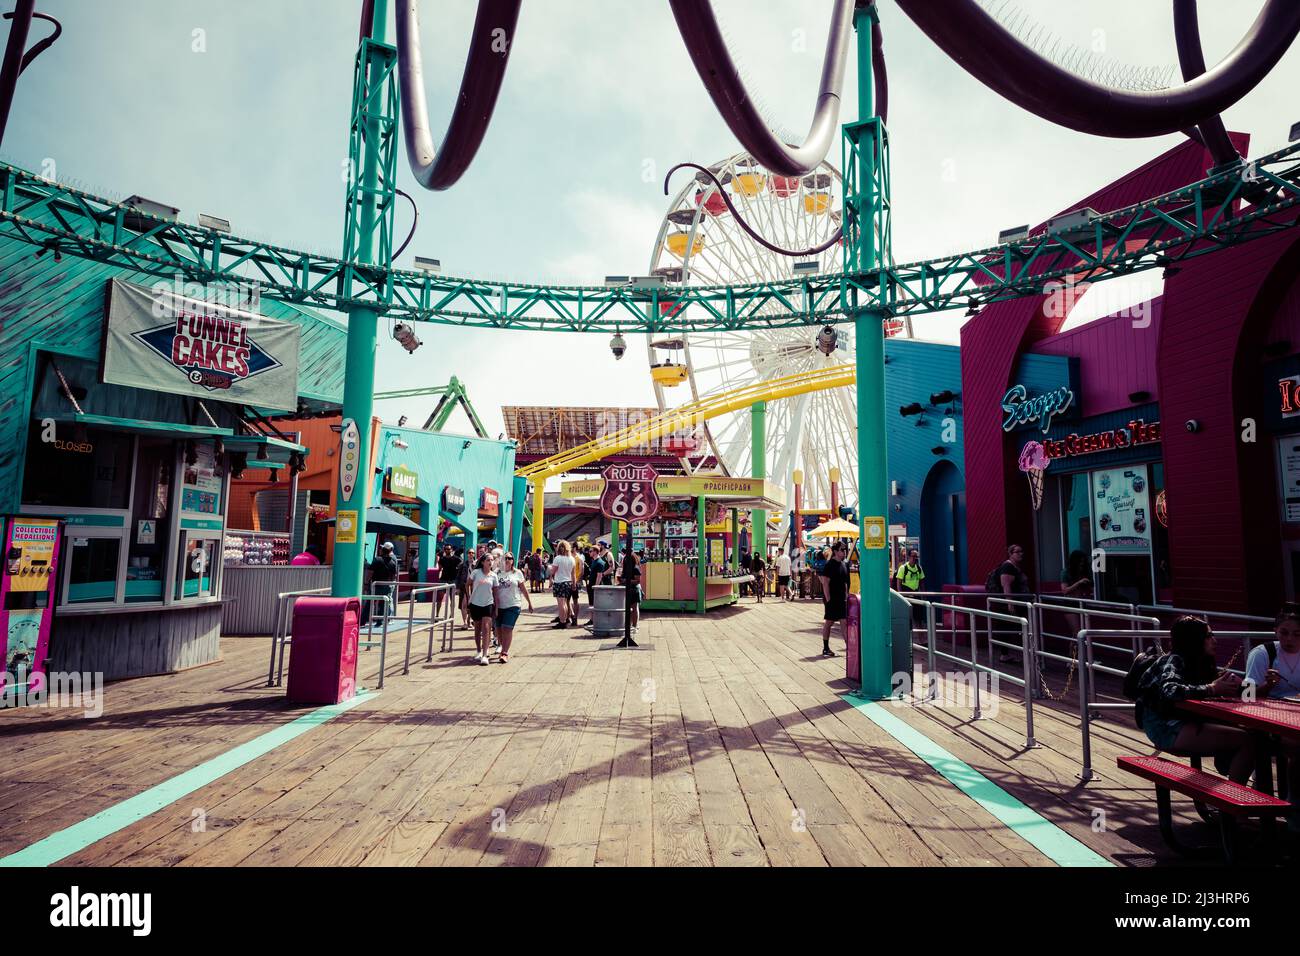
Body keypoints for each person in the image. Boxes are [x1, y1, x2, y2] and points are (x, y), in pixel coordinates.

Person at [1136, 615, 1255, 784]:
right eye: (1208, 636)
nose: (1215, 640)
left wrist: (1257, 686)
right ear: (1193, 640)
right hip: (1164, 726)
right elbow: (1170, 690)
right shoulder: (1174, 660)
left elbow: (1242, 694)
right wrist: (1212, 688)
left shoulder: (1200, 662)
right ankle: (1233, 805)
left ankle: (1228, 768)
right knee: (1247, 741)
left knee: (1254, 735)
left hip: (1183, 720)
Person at [492, 552, 532, 663]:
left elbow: (523, 589)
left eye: (510, 558)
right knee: (498, 630)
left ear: (513, 560)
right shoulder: (496, 573)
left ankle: (505, 652)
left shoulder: (517, 573)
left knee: (507, 628)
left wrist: (529, 602)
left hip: (513, 604)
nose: (507, 560)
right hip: (499, 606)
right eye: (505, 558)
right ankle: (502, 647)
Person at [819, 541, 851, 657]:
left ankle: (849, 647)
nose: (844, 552)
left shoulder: (844, 564)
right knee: (829, 622)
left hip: (842, 599)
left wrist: (847, 596)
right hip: (832, 599)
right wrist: (828, 600)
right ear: (836, 551)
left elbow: (845, 583)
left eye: (844, 550)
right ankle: (826, 647)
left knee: (844, 622)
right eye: (842, 550)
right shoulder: (829, 565)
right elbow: (825, 583)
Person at [466, 553, 497, 665]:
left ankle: (485, 654)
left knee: (487, 628)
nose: (490, 562)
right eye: (488, 560)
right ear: (483, 562)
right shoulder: (476, 573)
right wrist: (469, 597)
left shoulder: (494, 576)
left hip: (488, 603)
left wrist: (496, 607)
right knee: (477, 628)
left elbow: (495, 592)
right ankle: (479, 650)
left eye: (492, 560)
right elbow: (467, 584)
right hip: (475, 604)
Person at [368, 541, 399, 622]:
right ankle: (382, 620)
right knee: (384, 602)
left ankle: (364, 620)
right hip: (387, 584)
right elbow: (394, 574)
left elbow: (370, 572)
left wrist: (366, 582)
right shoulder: (393, 561)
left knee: (370, 602)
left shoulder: (377, 559)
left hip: (377, 584)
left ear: (383, 550)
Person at [549, 540, 577, 628]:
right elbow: (573, 574)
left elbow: (553, 571)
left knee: (561, 604)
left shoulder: (557, 558)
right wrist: (574, 584)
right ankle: (565, 620)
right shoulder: (572, 559)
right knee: (565, 602)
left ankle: (562, 621)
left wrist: (550, 571)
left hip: (559, 582)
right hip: (568, 583)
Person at [619, 547, 642, 632]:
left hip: (634, 589)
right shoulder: (628, 567)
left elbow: (638, 581)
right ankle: (630, 625)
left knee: (634, 608)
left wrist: (626, 580)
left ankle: (635, 626)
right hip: (629, 588)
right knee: (631, 608)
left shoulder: (635, 568)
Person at [436, 545, 461, 620]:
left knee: (452, 599)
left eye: (449, 549)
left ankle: (451, 614)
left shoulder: (457, 559)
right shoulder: (442, 559)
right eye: (446, 549)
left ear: (451, 550)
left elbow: (460, 567)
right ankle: (437, 615)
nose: (447, 550)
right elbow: (440, 569)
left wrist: (458, 579)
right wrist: (438, 578)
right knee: (439, 598)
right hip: (443, 580)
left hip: (453, 581)